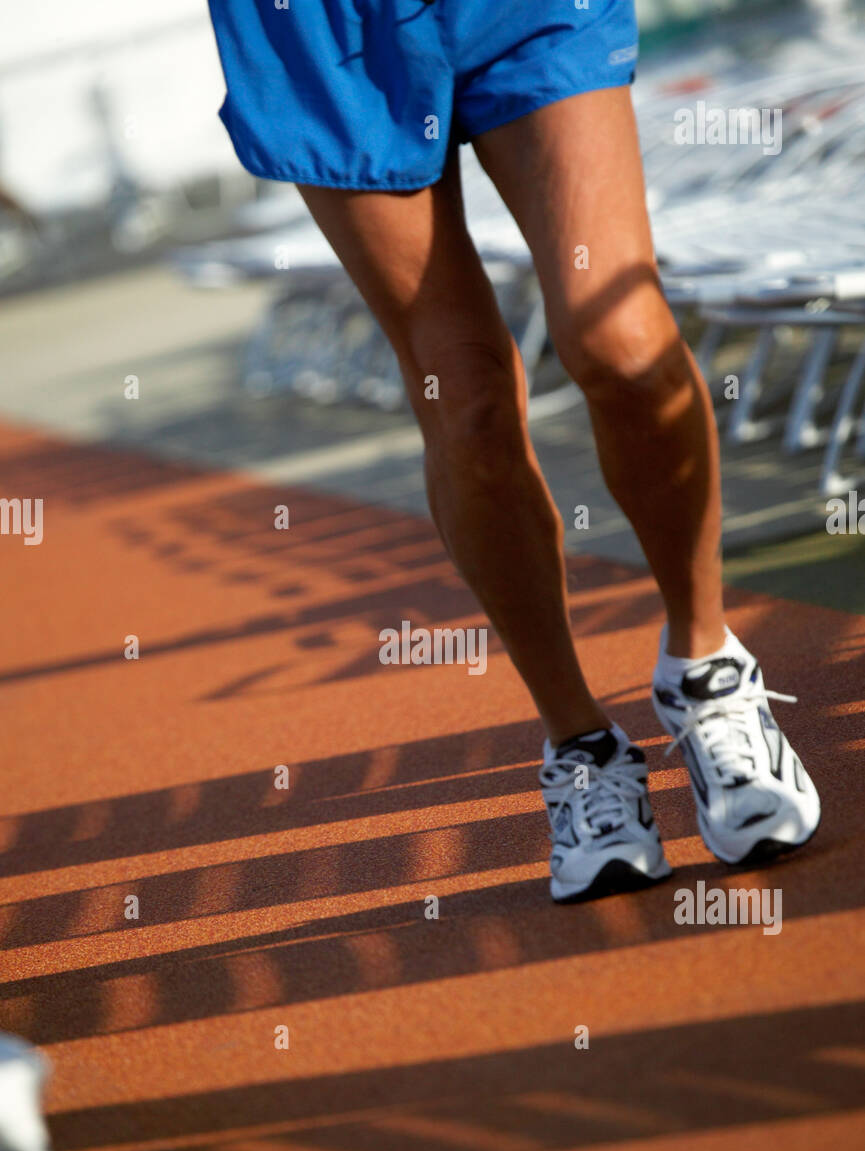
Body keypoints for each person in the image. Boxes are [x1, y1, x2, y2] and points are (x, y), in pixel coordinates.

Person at [206, 0, 820, 901]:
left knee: (620, 338)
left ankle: (707, 670)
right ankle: (580, 746)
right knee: (465, 401)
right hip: (323, 26)